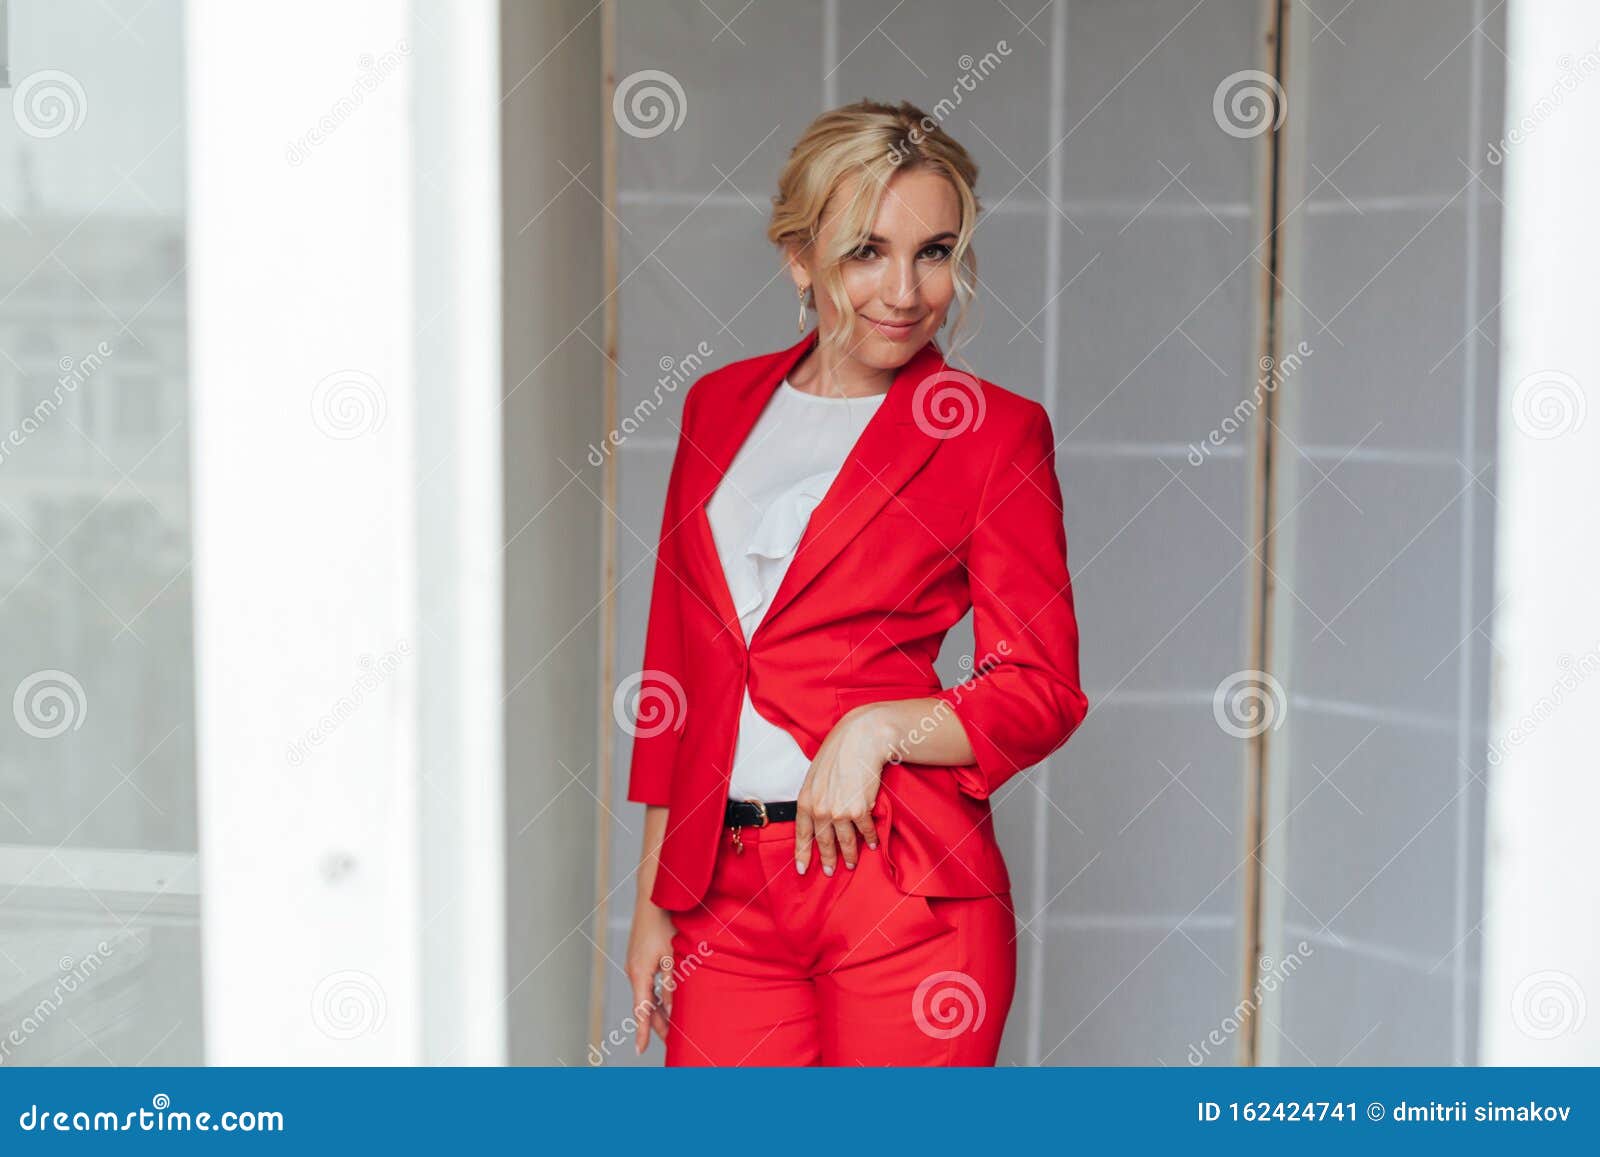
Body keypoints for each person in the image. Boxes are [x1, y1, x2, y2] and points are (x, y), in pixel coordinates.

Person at [622, 98, 1088, 1066]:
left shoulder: (993, 430)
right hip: (724, 894)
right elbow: (679, 661)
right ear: (801, 258)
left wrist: (879, 727)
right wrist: (654, 898)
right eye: (866, 251)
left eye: (935, 252)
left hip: (900, 889)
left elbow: (1039, 688)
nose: (908, 291)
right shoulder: (717, 406)